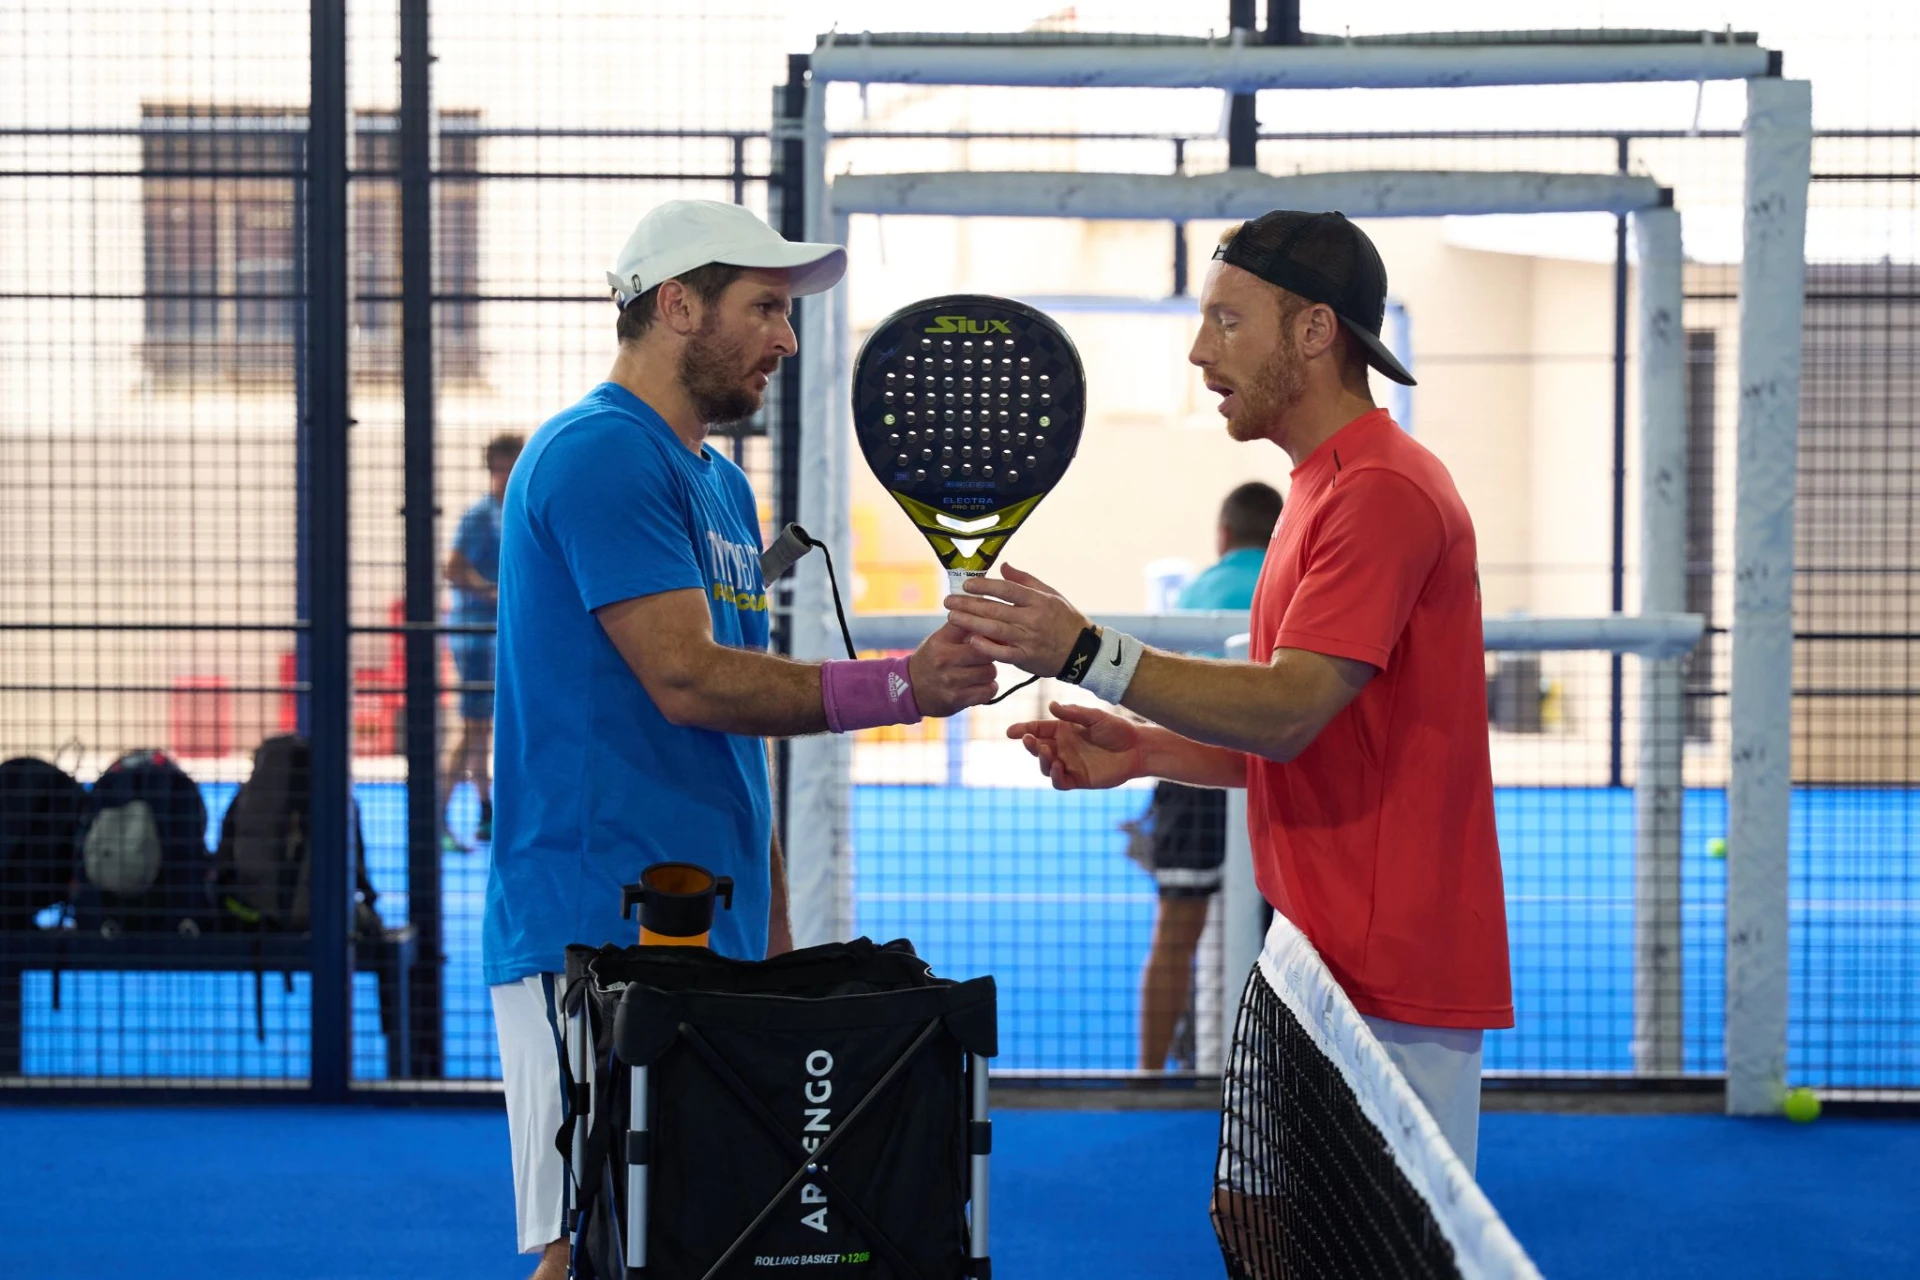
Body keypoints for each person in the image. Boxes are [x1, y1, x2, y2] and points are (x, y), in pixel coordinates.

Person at [944, 211, 1512, 1195]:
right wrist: (1143, 750)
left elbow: (1289, 708)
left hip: (1389, 979)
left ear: (1315, 330)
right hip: (1314, 955)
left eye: (1227, 320)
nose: (1200, 350)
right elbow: (1314, 739)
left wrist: (1085, 650)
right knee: (1259, 1221)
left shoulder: (1381, 489)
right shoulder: (1319, 489)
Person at [483, 199, 999, 1280]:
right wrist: (902, 684)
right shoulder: (597, 456)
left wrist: (772, 923)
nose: (788, 337)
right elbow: (687, 677)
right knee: (584, 1254)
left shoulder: (717, 481)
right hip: (592, 935)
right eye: (764, 306)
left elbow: (735, 729)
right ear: (678, 305)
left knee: (700, 1241)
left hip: (709, 933)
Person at [1129, 481, 1281, 1073]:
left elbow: (1156, 694)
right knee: (1291, 942)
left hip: (1190, 775)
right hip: (1272, 771)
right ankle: (1276, 1079)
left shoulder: (1195, 592)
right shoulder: (1291, 583)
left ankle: (1147, 1076)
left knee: (1175, 932)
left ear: (1223, 536)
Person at [441, 432, 524, 851]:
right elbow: (453, 567)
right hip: (475, 635)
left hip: (498, 633)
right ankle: (442, 815)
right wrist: (492, 591)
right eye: (503, 468)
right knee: (474, 728)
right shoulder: (481, 515)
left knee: (482, 728)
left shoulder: (514, 510)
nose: (508, 475)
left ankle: (484, 813)